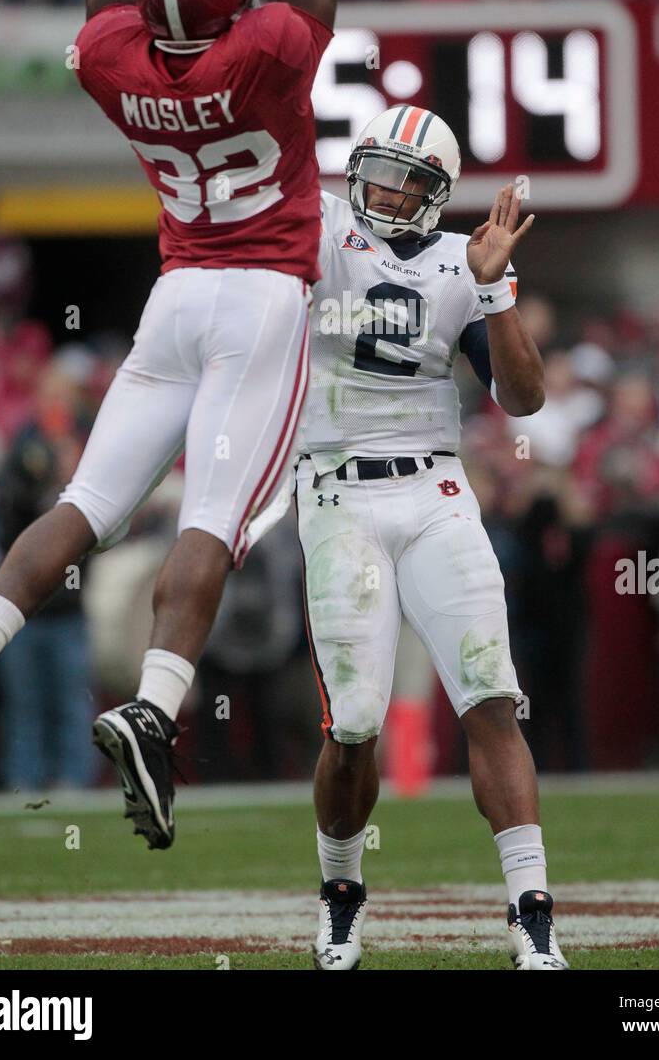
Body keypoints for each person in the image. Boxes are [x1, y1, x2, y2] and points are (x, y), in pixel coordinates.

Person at [0, 0, 337, 851]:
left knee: (82, 505)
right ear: (232, 1)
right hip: (258, 297)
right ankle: (155, 708)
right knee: (213, 515)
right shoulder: (265, 48)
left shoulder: (114, 56)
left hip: (172, 298)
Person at [263, 105, 567, 970]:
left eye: (407, 178)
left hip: (435, 492)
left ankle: (532, 916)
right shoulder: (318, 228)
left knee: (490, 696)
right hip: (335, 492)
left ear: (435, 195)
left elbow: (526, 398)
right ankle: (341, 898)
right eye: (379, 170)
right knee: (354, 723)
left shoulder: (461, 264)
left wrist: (496, 288)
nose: (386, 190)